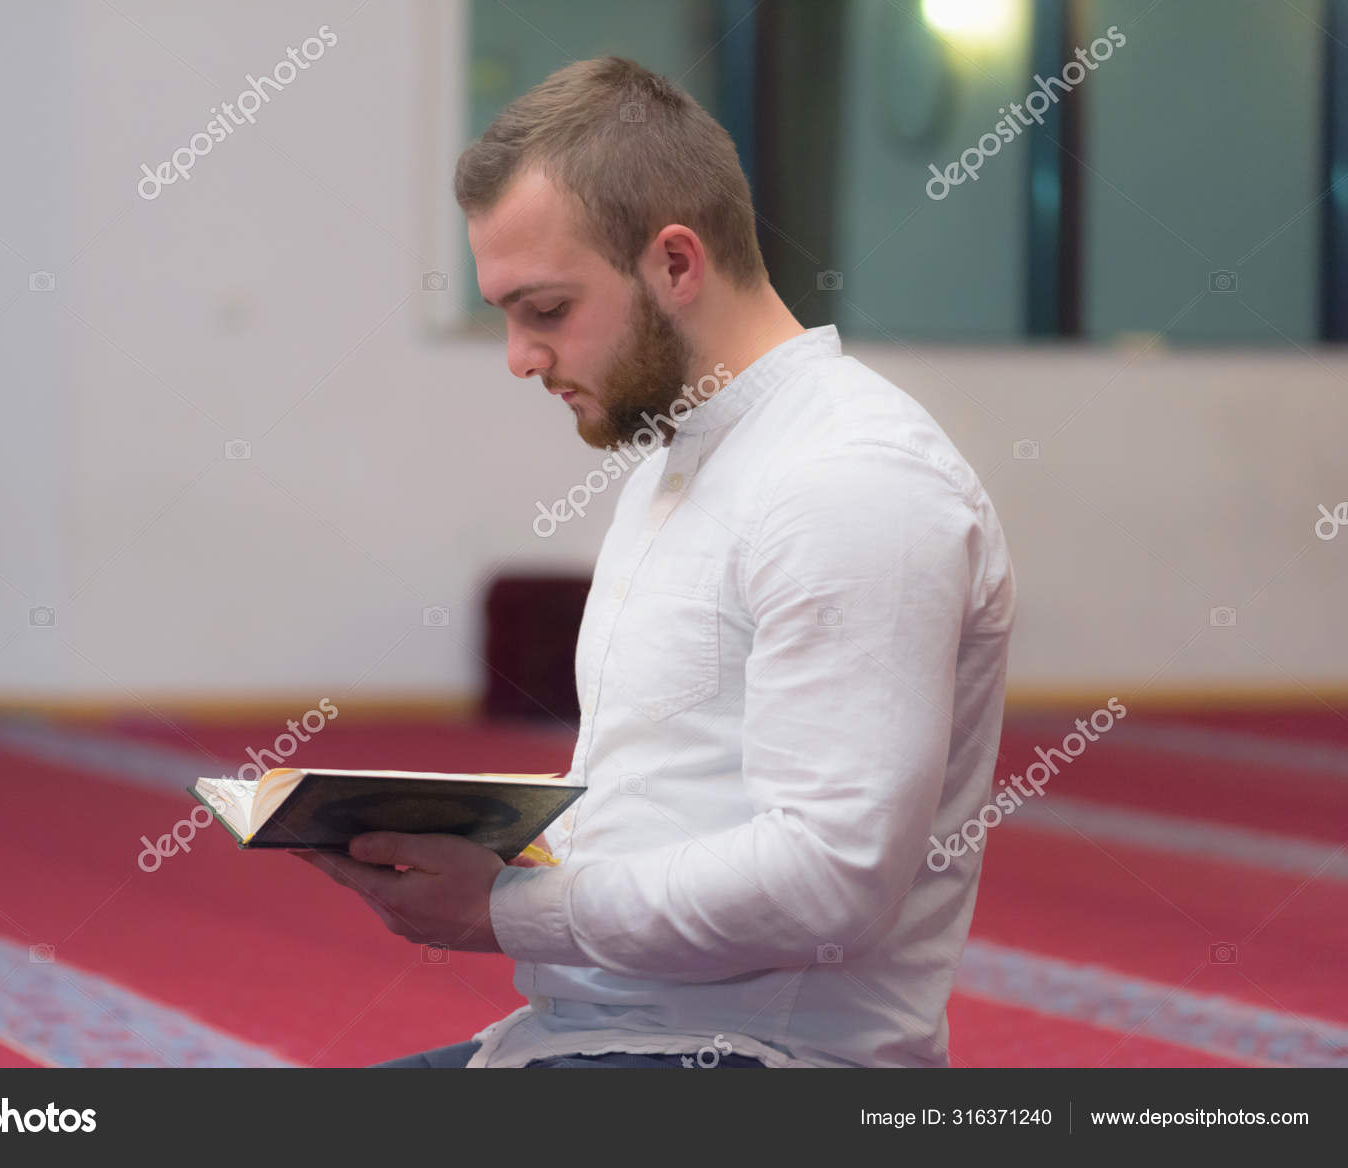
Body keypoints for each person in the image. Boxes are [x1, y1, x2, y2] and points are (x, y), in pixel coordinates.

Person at [293, 55, 1017, 1069]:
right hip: (598, 1039)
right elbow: (673, 792)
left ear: (676, 263)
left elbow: (831, 879)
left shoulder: (851, 479)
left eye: (546, 310)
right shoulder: (675, 464)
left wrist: (505, 909)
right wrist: (484, 834)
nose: (520, 357)